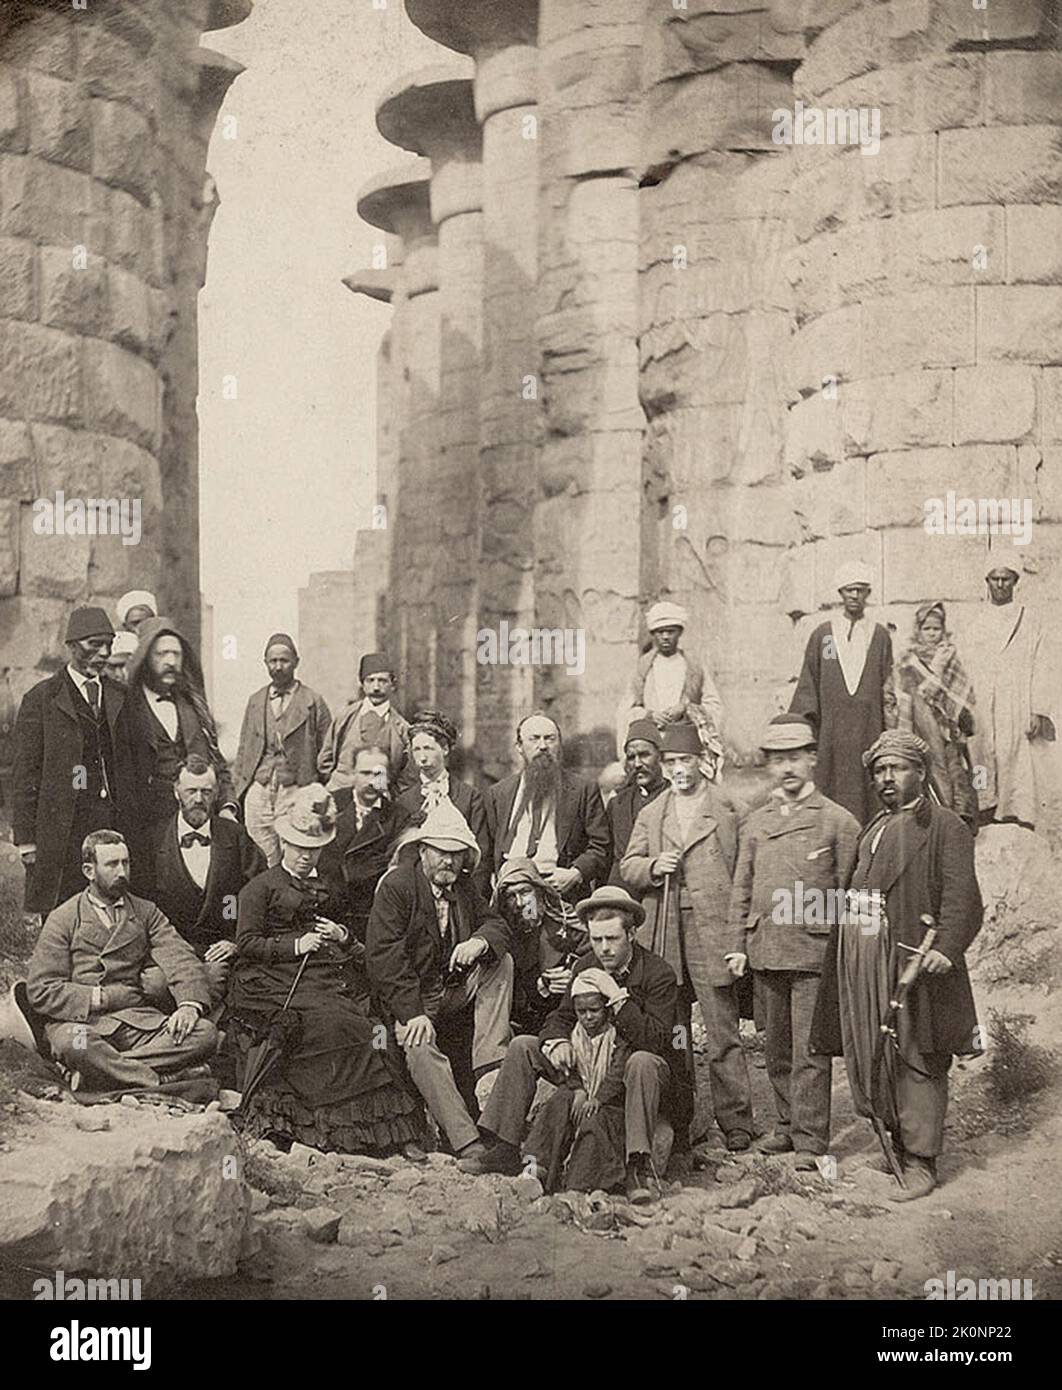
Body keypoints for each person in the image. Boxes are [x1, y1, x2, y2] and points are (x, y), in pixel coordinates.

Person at [810, 731, 984, 1201]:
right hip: (862, 961)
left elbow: (963, 897)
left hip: (912, 962)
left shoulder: (945, 826)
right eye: (880, 771)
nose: (887, 778)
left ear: (921, 773)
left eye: (898, 768)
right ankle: (897, 1142)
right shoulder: (873, 829)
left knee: (916, 1055)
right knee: (874, 1052)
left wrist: (946, 946)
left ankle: (922, 1161)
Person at [229, 784, 424, 1157]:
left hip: (324, 971)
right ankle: (323, 1130)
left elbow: (347, 928)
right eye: (299, 847)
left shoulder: (329, 885)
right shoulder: (259, 888)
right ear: (284, 844)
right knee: (328, 1023)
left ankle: (388, 1131)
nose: (305, 856)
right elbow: (247, 943)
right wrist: (293, 945)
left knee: (372, 1027)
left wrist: (341, 933)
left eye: (313, 848)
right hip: (271, 978)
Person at [459, 886, 679, 1204]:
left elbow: (656, 1041)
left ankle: (636, 1165)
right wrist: (556, 1041)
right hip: (586, 1063)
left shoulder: (658, 974)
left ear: (631, 934)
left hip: (636, 1075)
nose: (603, 949)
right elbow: (560, 1017)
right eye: (596, 939)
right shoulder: (585, 965)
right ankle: (505, 1147)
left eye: (612, 939)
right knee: (523, 1046)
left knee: (642, 1060)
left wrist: (616, 997)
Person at [727, 716, 860, 1168]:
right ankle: (785, 1124)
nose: (786, 768)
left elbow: (855, 896)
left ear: (812, 760)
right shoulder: (757, 821)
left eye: (794, 758)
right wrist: (737, 944)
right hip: (766, 951)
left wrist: (851, 958)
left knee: (809, 1051)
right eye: (777, 760)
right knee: (776, 1049)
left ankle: (809, 1139)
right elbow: (741, 889)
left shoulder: (838, 822)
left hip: (812, 954)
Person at [621, 720, 751, 1150]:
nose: (678, 769)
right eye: (672, 761)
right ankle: (683, 1117)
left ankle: (735, 1121)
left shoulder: (726, 808)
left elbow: (744, 873)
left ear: (702, 762)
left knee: (721, 1030)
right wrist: (654, 866)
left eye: (686, 760)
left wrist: (738, 938)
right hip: (665, 933)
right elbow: (629, 866)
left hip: (711, 931)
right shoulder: (653, 812)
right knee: (673, 1031)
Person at [366, 801, 513, 1161]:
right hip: (410, 997)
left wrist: (478, 941)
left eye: (456, 854)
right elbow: (384, 957)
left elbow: (497, 925)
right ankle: (466, 1141)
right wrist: (412, 1013)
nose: (448, 861)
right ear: (422, 851)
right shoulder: (398, 886)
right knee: (419, 1048)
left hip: (452, 990)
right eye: (440, 852)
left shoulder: (463, 887)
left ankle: (489, 1062)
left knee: (501, 961)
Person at [26, 829, 217, 1092]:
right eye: (112, 864)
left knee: (204, 1034)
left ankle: (100, 1074)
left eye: (125, 863)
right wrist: (100, 997)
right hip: (82, 1025)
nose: (122, 872)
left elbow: (180, 956)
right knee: (75, 1044)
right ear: (89, 871)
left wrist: (189, 1005)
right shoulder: (63, 918)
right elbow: (40, 989)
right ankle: (161, 1079)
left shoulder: (146, 912)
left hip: (137, 1022)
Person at [13, 607, 135, 917]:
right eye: (94, 644)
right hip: (61, 827)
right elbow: (25, 771)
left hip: (113, 820)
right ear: (71, 646)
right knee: (62, 912)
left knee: (114, 903)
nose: (104, 652)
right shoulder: (41, 699)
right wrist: (26, 838)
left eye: (108, 644)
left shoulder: (122, 696)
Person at [147, 756, 264, 1008]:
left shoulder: (236, 836)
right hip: (171, 950)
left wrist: (235, 940)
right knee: (154, 985)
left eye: (207, 792)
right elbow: (143, 906)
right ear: (176, 791)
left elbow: (259, 893)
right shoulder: (154, 840)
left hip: (219, 949)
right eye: (191, 791)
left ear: (217, 793)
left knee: (214, 981)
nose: (199, 799)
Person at [790, 560, 894, 825]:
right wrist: (802, 730)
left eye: (860, 590)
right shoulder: (825, 636)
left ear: (868, 594)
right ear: (840, 593)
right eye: (849, 590)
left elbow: (889, 686)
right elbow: (811, 681)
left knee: (869, 791)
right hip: (832, 733)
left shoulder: (879, 636)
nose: (855, 596)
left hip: (868, 728)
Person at [124, 617, 237, 852]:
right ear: (145, 658)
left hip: (194, 820)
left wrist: (228, 805)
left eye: (176, 654)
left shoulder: (195, 707)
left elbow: (218, 762)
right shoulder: (126, 708)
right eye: (161, 654)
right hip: (145, 825)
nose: (171, 661)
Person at [485, 712, 611, 903]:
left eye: (550, 739)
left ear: (559, 745)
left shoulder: (582, 790)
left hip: (560, 893)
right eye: (534, 739)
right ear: (519, 747)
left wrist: (576, 873)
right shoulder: (498, 793)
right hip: (510, 893)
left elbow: (601, 845)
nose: (543, 746)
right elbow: (486, 853)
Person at [967, 565, 1057, 831]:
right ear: (987, 581)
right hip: (982, 699)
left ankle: (1014, 809)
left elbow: (1042, 663)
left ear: (1015, 581)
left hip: (1016, 698)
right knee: (980, 754)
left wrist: (1037, 709)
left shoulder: (1029, 618)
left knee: (1013, 754)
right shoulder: (977, 619)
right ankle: (981, 806)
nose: (1000, 584)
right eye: (994, 579)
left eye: (1006, 579)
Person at [522, 975, 631, 1193]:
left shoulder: (618, 1036)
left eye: (595, 1010)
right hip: (581, 1093)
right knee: (558, 1103)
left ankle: (579, 1183)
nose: (588, 1017)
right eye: (582, 1012)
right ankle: (536, 1165)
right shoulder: (573, 1034)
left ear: (607, 1009)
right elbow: (566, 1067)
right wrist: (578, 1090)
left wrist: (598, 1098)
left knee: (595, 1125)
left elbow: (618, 1072)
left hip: (608, 1103)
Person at [232, 633, 333, 866]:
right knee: (259, 852)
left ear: (296, 662)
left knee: (296, 849)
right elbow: (244, 750)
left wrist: (321, 791)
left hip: (297, 788)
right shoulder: (256, 700)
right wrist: (238, 791)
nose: (278, 667)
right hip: (260, 787)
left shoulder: (313, 701)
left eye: (284, 661)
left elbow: (327, 752)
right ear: (265, 663)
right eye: (272, 661)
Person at [884, 601, 978, 831]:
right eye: (927, 629)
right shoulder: (908, 659)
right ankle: (931, 819)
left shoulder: (949, 655)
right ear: (918, 630)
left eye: (937, 629)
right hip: (919, 726)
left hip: (946, 727)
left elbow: (960, 691)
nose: (932, 634)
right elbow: (902, 693)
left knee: (954, 768)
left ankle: (957, 818)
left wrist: (958, 716)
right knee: (927, 769)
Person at [616, 601, 724, 777]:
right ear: (653, 634)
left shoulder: (694, 666)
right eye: (660, 632)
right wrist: (649, 715)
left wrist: (686, 709)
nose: (665, 637)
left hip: (685, 741)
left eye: (670, 631)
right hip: (653, 741)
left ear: (679, 632)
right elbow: (626, 710)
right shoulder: (643, 668)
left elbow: (714, 705)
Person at [393, 710, 492, 896]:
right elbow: (400, 857)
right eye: (417, 750)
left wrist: (472, 900)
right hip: (415, 894)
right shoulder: (405, 801)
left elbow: (482, 857)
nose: (422, 758)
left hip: (461, 891)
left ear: (445, 749)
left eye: (428, 749)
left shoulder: (469, 798)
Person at [491, 857, 589, 1034]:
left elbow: (594, 959)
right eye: (511, 896)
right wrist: (539, 986)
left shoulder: (568, 923)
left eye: (525, 892)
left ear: (540, 891)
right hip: (522, 1022)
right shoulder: (503, 933)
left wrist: (574, 976)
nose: (520, 903)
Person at [317, 746, 404, 945]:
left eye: (379, 774)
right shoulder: (329, 804)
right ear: (353, 774)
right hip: (327, 910)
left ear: (388, 779)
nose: (372, 781)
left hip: (369, 915)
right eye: (365, 773)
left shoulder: (398, 817)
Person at [317, 652, 413, 793]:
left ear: (392, 685)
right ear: (362, 684)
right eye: (370, 680)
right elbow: (325, 760)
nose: (376, 687)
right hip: (341, 792)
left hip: (379, 797)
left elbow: (408, 774)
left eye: (382, 681)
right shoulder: (345, 717)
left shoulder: (402, 728)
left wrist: (391, 794)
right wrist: (339, 783)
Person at [607, 718, 668, 883]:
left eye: (644, 755)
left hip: (662, 888)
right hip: (623, 892)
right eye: (631, 757)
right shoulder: (617, 804)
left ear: (660, 756)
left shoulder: (674, 797)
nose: (637, 764)